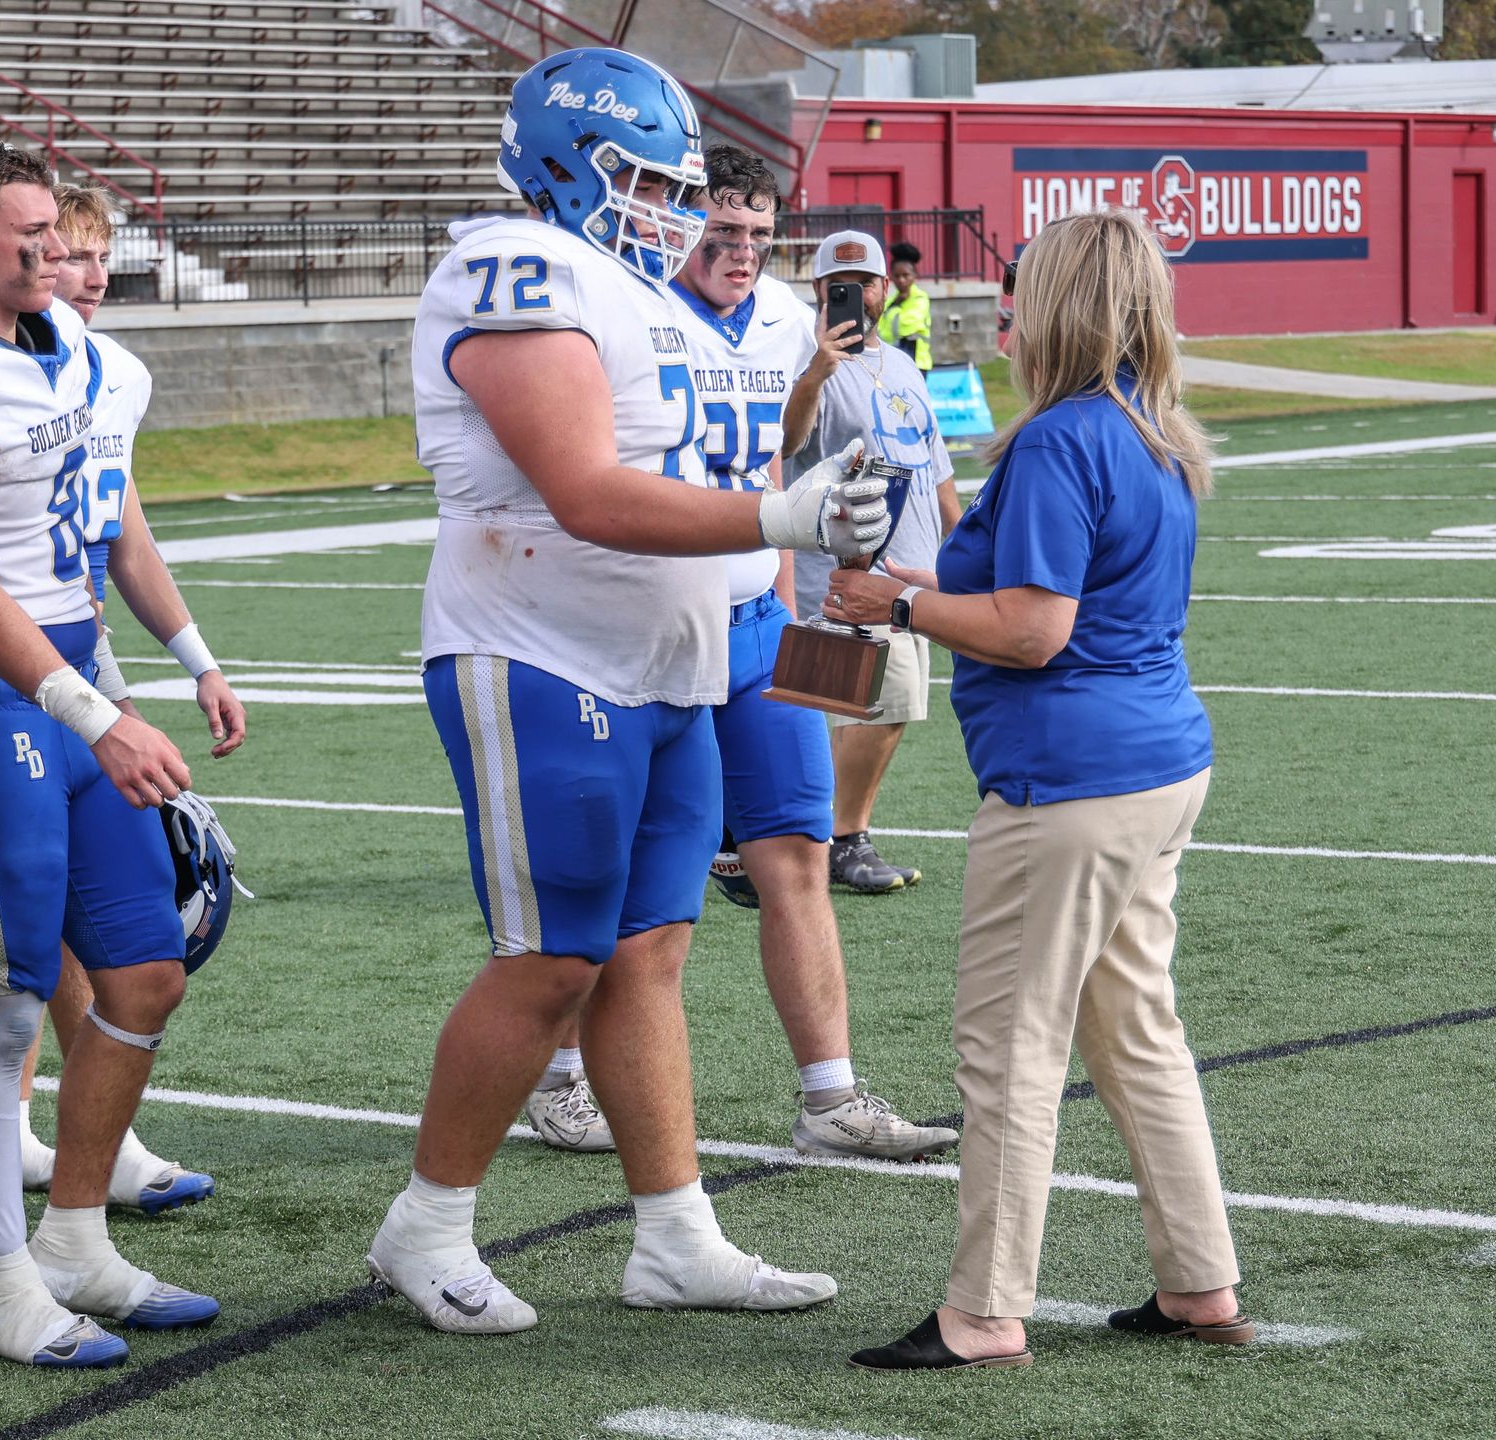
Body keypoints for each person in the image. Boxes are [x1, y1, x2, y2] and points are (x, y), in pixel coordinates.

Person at [368, 45, 889, 1335]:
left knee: (652, 950)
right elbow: (586, 493)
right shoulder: (513, 264)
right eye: (642, 179)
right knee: (550, 962)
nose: (668, 206)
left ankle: (675, 1234)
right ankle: (425, 1223)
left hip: (676, 658)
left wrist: (808, 526)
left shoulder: (645, 286)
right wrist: (784, 512)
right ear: (568, 164)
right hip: (542, 654)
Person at [836, 208, 1252, 1371]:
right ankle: (1199, 1283)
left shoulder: (1063, 437)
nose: (1006, 314)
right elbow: (1043, 593)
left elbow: (1031, 630)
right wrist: (925, 583)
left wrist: (902, 605)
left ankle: (983, 1310)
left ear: (1062, 306)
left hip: (1069, 779)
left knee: (1011, 1051)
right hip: (1156, 762)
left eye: (1020, 293)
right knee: (1138, 1034)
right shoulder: (1150, 427)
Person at [522, 145, 953, 1163]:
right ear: (679, 225)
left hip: (757, 619)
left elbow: (774, 467)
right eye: (722, 231)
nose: (741, 251)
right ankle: (561, 1073)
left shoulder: (782, 322)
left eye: (759, 234)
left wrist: (786, 600)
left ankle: (832, 1099)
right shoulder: (628, 309)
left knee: (799, 853)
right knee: (620, 873)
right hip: (644, 625)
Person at [0, 140, 217, 1369]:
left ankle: (76, 1236)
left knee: (143, 974)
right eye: (35, 237)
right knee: (5, 1003)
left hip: (73, 687)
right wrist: (102, 717)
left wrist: (172, 664)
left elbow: (100, 534)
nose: (59, 256)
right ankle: (2, 1280)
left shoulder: (71, 350)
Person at [16, 182, 247, 1214]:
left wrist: (196, 658)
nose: (91, 273)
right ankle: (28, 1151)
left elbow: (123, 532)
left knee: (103, 922)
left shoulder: (115, 375)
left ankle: (89, 1140)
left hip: (82, 660)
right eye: (68, 254)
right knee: (14, 941)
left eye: (99, 254)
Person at [782, 231, 962, 895]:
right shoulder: (806, 358)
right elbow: (787, 442)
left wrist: (966, 544)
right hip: (843, 568)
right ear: (819, 290)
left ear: (885, 288)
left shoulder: (906, 366)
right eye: (839, 283)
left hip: (910, 565)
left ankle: (799, 839)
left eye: (864, 281)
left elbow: (936, 467)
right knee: (876, 710)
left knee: (847, 712)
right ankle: (839, 841)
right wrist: (818, 372)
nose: (853, 293)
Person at [879, 241, 933, 372]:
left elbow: (906, 325)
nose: (901, 280)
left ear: (915, 276)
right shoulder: (890, 300)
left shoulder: (920, 298)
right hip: (894, 361)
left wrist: (893, 311)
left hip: (917, 363)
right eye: (897, 276)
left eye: (906, 275)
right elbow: (880, 331)